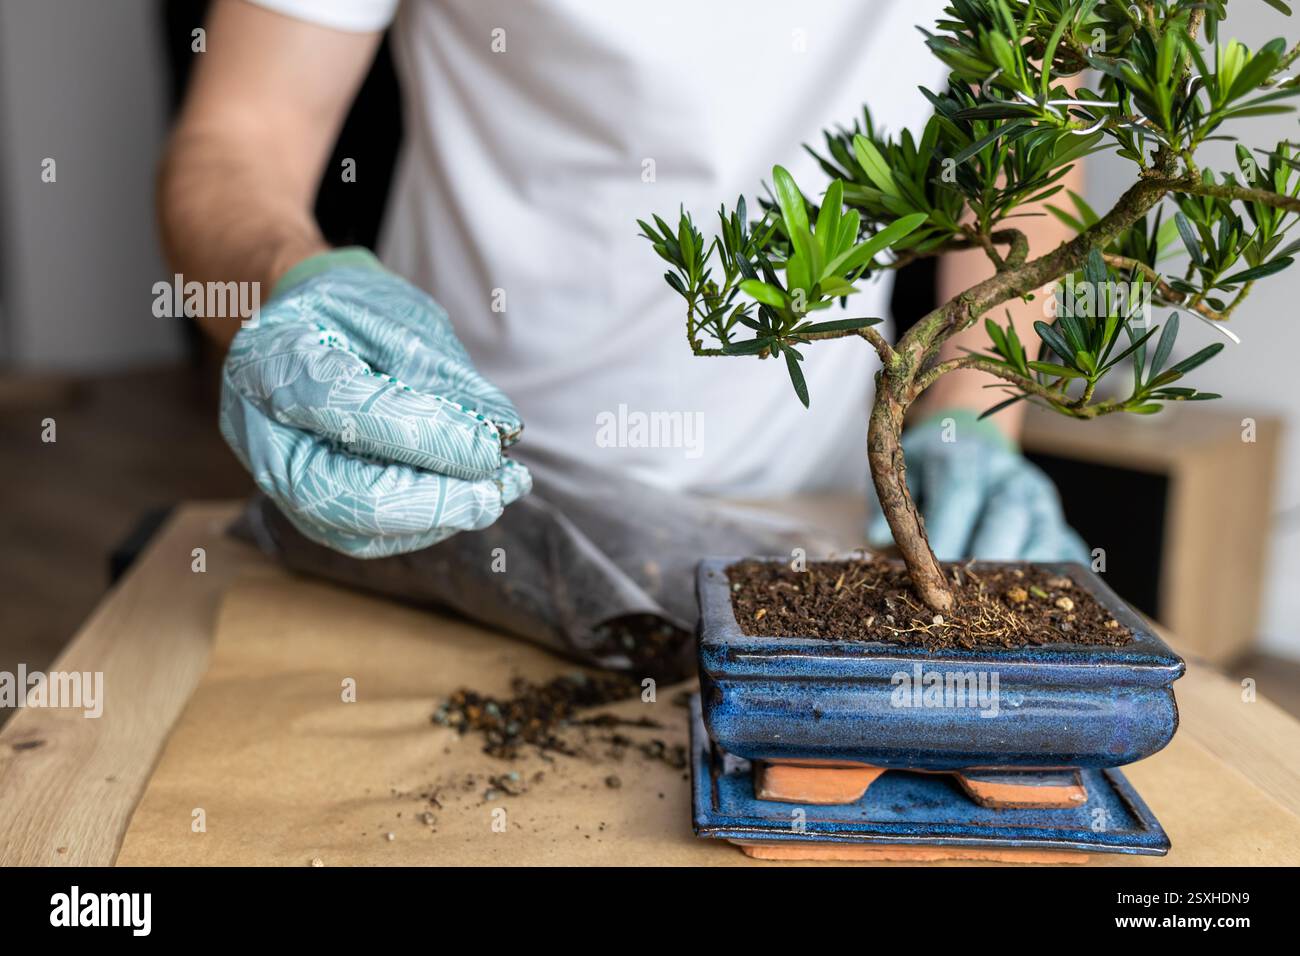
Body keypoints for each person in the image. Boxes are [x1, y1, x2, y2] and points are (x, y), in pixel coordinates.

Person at [159, 0, 1085, 561]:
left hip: (810, 510)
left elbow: (1030, 135)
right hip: (441, 490)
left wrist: (973, 409)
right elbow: (237, 140)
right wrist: (292, 287)